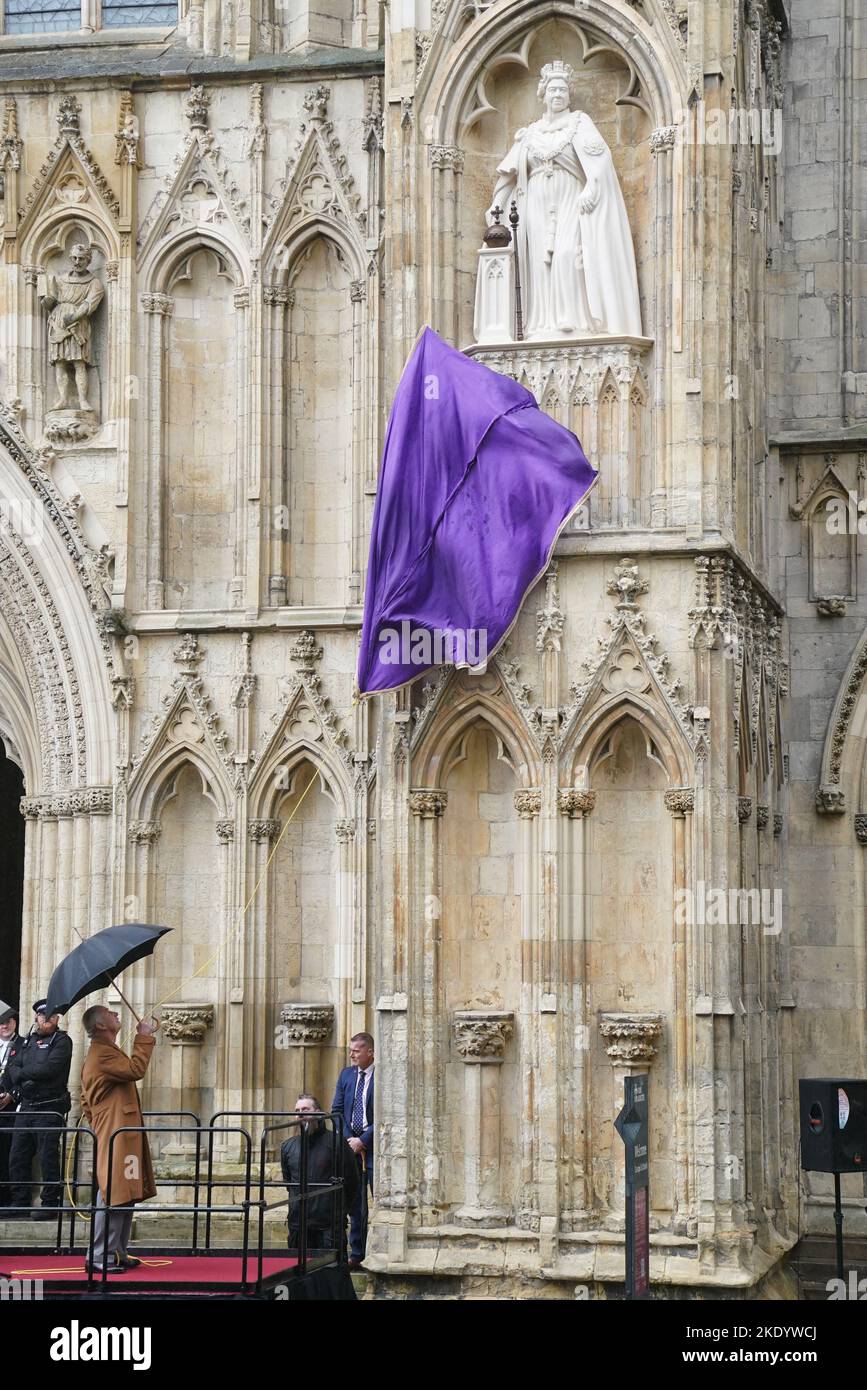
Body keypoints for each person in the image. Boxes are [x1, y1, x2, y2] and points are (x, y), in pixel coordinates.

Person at [485, 59, 642, 340]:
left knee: (568, 255)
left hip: (571, 196)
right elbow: (508, 174)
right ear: (543, 95)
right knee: (539, 262)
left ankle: (575, 320)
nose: (558, 95)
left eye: (563, 91)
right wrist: (497, 206)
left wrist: (592, 188)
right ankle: (541, 324)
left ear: (569, 95)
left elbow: (600, 163)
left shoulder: (580, 123)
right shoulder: (530, 133)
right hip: (535, 202)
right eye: (553, 91)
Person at [79, 1006, 158, 1273]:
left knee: (126, 1193)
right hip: (118, 1132)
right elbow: (136, 1069)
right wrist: (144, 1036)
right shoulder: (102, 1052)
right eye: (110, 1014)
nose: (116, 1015)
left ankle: (117, 1251)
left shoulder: (103, 1050)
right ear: (101, 1025)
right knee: (115, 1192)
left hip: (122, 1130)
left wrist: (103, 1119)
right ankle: (100, 1254)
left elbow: (85, 1099)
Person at [6, 1000, 73, 1219]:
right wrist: (23, 1079)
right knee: (18, 1155)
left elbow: (50, 1068)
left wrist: (25, 1074)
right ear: (36, 1017)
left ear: (58, 1019)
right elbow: (12, 1068)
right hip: (26, 1107)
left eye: (52, 1016)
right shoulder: (27, 1042)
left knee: (48, 1157)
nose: (47, 1020)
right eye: (43, 1016)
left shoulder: (62, 1041)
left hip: (48, 1107)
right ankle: (20, 1202)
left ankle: (50, 1202)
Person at [280, 1093, 359, 1256]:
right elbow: (289, 1183)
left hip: (328, 1226)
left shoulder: (336, 1142)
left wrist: (339, 1213)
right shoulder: (288, 1147)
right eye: (297, 1110)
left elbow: (352, 1182)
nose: (300, 1113)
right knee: (300, 1277)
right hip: (298, 1225)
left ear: (318, 1112)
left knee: (329, 1275)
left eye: (305, 1109)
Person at [332, 1032, 374, 1269]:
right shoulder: (346, 1075)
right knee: (355, 1204)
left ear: (370, 1051)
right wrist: (350, 1139)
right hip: (350, 1149)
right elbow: (336, 1110)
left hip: (377, 1148)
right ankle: (357, 1254)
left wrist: (364, 1140)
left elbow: (389, 1110)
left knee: (380, 1200)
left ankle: (378, 1251)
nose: (351, 1054)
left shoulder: (382, 1075)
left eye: (356, 1050)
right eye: (351, 1050)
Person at [0, 1004, 22, 1209]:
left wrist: (11, 1096)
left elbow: (26, 1075)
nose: (3, 1026)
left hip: (10, 1110)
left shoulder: (23, 1044)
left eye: (7, 1022)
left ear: (14, 1022)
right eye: (0, 1023)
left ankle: (7, 1199)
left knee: (9, 1155)